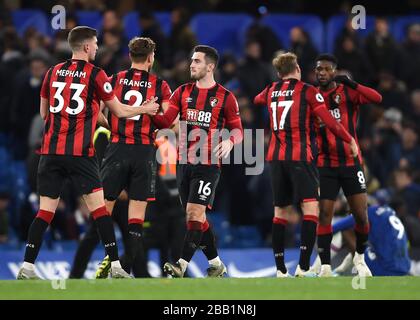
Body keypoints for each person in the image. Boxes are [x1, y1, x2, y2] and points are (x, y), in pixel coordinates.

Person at [17, 26, 159, 280]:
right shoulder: (96, 74)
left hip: (49, 153)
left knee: (45, 212)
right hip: (80, 154)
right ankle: (116, 266)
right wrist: (146, 108)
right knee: (100, 212)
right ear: (85, 47)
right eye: (94, 44)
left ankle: (27, 267)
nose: (96, 48)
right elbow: (120, 111)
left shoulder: (52, 72)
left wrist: (67, 126)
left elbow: (44, 113)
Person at [253, 52, 358, 277]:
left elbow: (256, 100)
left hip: (275, 159)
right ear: (297, 68)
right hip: (301, 157)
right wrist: (349, 139)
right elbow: (330, 121)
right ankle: (302, 266)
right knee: (310, 209)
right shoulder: (309, 91)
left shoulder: (271, 90)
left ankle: (280, 270)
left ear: (280, 73)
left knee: (280, 211)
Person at [152, 45, 243, 277]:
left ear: (210, 66)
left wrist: (231, 142)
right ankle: (216, 264)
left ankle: (180, 265)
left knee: (194, 213)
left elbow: (238, 130)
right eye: (192, 61)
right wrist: (149, 110)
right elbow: (165, 121)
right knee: (197, 218)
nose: (191, 64)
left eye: (197, 61)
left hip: (209, 163)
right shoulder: (181, 92)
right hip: (184, 163)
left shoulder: (225, 97)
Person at [93, 36, 172, 278]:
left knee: (102, 210)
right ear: (151, 58)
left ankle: (111, 257)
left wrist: (111, 124)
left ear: (130, 56)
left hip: (116, 148)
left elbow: (95, 112)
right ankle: (123, 266)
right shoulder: (161, 86)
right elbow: (169, 121)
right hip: (144, 151)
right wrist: (154, 123)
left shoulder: (113, 80)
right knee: (137, 217)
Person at [314, 54, 382, 277]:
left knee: (361, 215)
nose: (322, 72)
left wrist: (352, 82)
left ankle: (360, 259)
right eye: (318, 69)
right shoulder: (312, 96)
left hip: (352, 163)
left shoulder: (347, 92)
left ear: (334, 71)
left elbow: (377, 98)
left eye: (326, 69)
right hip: (326, 164)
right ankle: (325, 266)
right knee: (324, 214)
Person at [312, 205, 411, 276]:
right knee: (362, 244)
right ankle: (338, 271)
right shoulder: (387, 211)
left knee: (345, 231)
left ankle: (316, 269)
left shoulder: (366, 213)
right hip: (405, 267)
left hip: (386, 270)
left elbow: (334, 228)